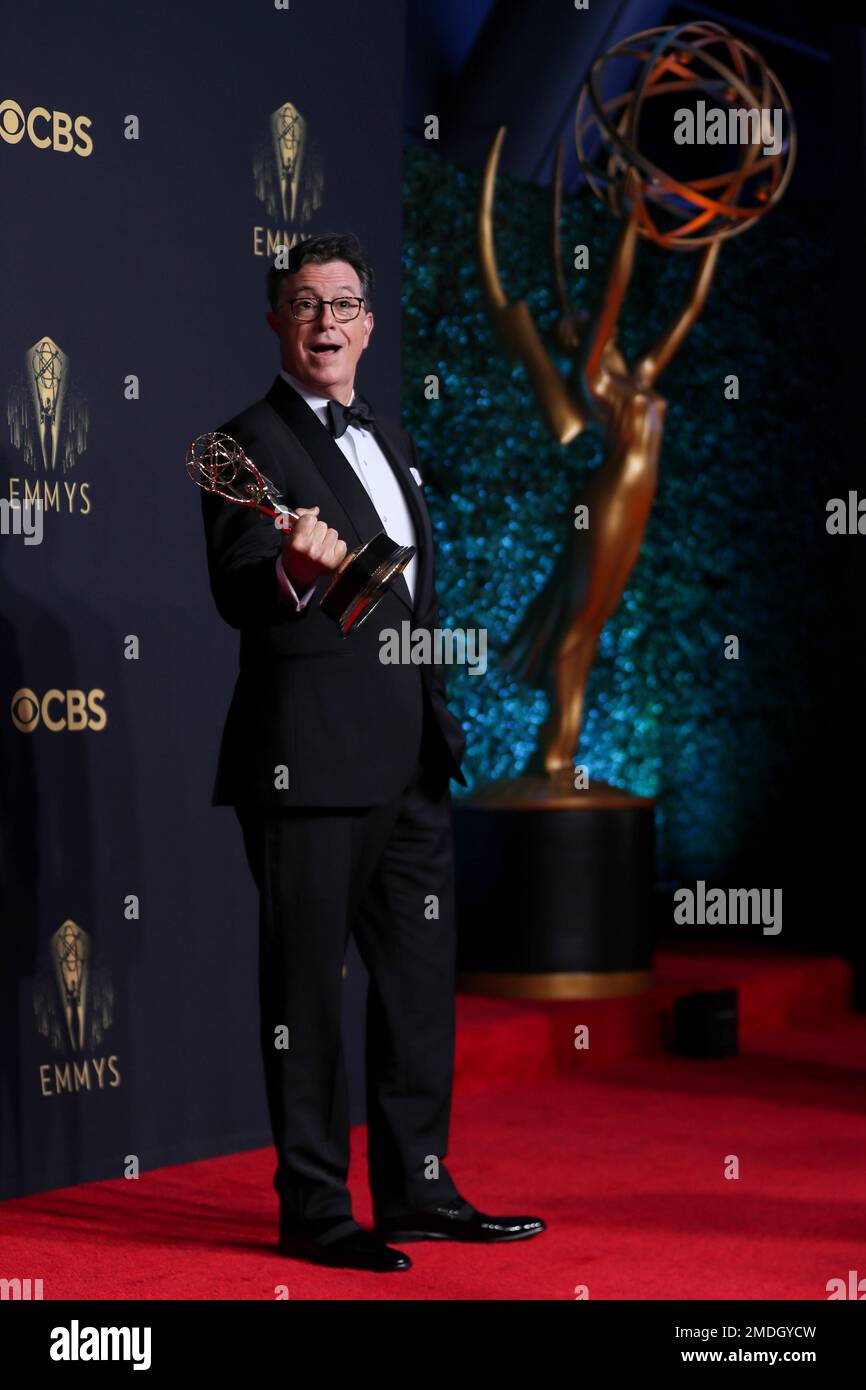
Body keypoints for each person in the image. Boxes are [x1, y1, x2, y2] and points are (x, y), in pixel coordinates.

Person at [199, 231, 545, 1271]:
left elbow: (405, 605)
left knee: (415, 991)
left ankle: (419, 1192)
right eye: (304, 304)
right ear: (275, 320)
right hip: (302, 769)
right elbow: (239, 594)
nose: (325, 322)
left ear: (367, 322)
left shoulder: (388, 438)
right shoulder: (237, 443)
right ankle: (313, 1207)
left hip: (411, 770)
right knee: (304, 996)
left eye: (343, 303)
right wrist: (293, 573)